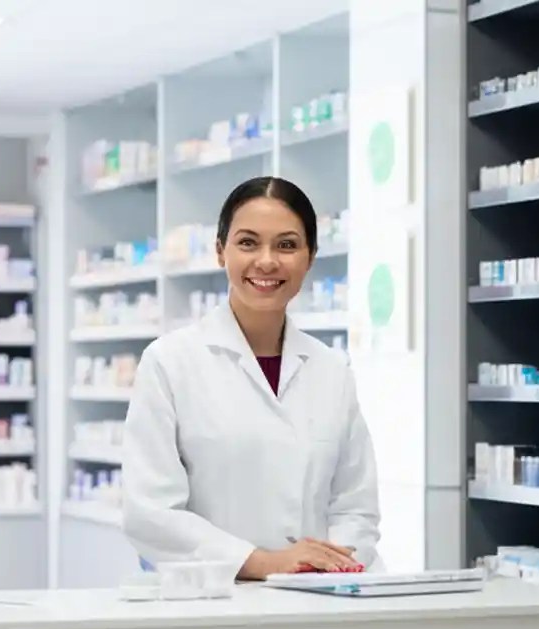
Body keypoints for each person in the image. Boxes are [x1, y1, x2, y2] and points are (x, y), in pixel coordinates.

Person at [121, 176, 380, 580]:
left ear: (310, 257)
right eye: (247, 242)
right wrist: (263, 563)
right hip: (213, 604)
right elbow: (150, 513)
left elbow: (355, 507)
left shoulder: (331, 369)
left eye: (287, 245)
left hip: (318, 603)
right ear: (220, 252)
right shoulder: (170, 363)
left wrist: (330, 566)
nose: (267, 260)